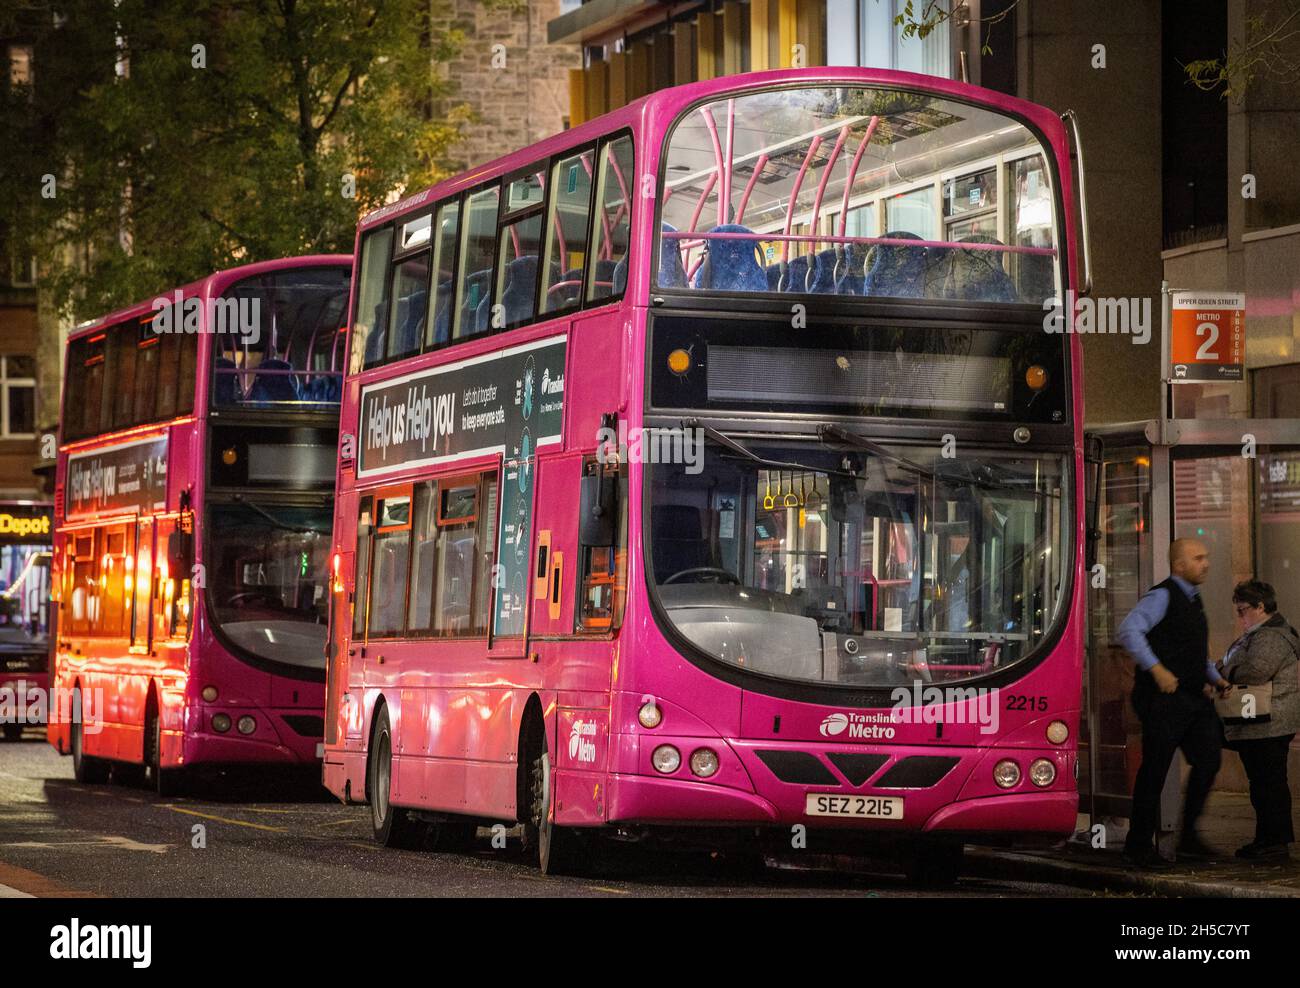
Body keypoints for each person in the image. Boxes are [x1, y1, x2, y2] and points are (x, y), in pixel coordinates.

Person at [1117, 538, 1230, 869]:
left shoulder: (1194, 600)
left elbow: (1193, 649)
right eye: (1198, 558)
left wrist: (1215, 678)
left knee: (1209, 759)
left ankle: (1189, 837)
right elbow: (1130, 630)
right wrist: (1157, 669)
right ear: (1179, 565)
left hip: (1193, 697)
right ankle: (1137, 846)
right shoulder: (1162, 595)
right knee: (1155, 770)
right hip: (1164, 698)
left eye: (1206, 557)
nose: (1206, 563)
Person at [1217, 580, 1300, 860]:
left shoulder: (1271, 636)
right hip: (1261, 722)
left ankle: (1274, 842)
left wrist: (1224, 669)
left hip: (1269, 722)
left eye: (1243, 610)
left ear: (1260, 607)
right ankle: (1267, 840)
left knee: (1268, 784)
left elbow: (1255, 671)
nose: (1240, 617)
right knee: (1263, 783)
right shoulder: (1261, 632)